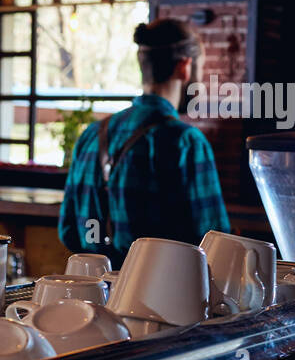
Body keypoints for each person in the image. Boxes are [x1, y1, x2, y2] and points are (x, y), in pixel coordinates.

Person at [58, 18, 230, 263]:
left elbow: (69, 232)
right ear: (184, 66)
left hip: (94, 294)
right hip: (163, 297)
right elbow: (216, 245)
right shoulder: (186, 143)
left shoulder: (91, 135)